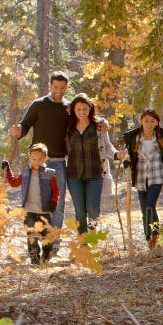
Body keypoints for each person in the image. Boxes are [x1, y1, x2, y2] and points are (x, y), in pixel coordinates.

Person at [10, 72, 70, 256]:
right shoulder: (38, 105)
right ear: (50, 86)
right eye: (55, 86)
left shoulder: (68, 108)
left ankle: (54, 241)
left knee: (57, 203)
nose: (58, 90)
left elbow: (83, 122)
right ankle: (35, 241)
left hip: (59, 161)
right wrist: (18, 131)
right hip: (38, 163)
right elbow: (24, 126)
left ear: (66, 88)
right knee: (36, 203)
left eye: (62, 87)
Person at [65, 93, 125, 234]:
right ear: (73, 110)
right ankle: (82, 243)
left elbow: (108, 146)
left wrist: (117, 154)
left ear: (90, 108)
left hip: (95, 173)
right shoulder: (68, 127)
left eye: (84, 109)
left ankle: (92, 237)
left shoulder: (98, 127)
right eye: (78, 109)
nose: (81, 112)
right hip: (74, 175)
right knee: (80, 211)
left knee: (93, 209)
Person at [121, 109, 163, 249]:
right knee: (144, 210)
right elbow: (130, 156)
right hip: (141, 177)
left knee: (149, 206)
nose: (149, 124)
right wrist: (127, 162)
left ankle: (155, 236)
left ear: (157, 123)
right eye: (146, 121)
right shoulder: (135, 138)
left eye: (152, 121)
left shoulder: (160, 138)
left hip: (157, 176)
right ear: (140, 122)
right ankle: (149, 237)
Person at [2, 143, 60, 265]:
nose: (36, 161)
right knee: (31, 233)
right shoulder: (26, 172)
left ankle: (46, 253)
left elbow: (56, 190)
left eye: (40, 159)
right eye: (34, 159)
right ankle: (34, 256)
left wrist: (53, 202)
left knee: (46, 234)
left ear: (45, 159)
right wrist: (7, 170)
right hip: (29, 210)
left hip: (44, 210)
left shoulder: (49, 173)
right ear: (30, 158)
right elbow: (14, 183)